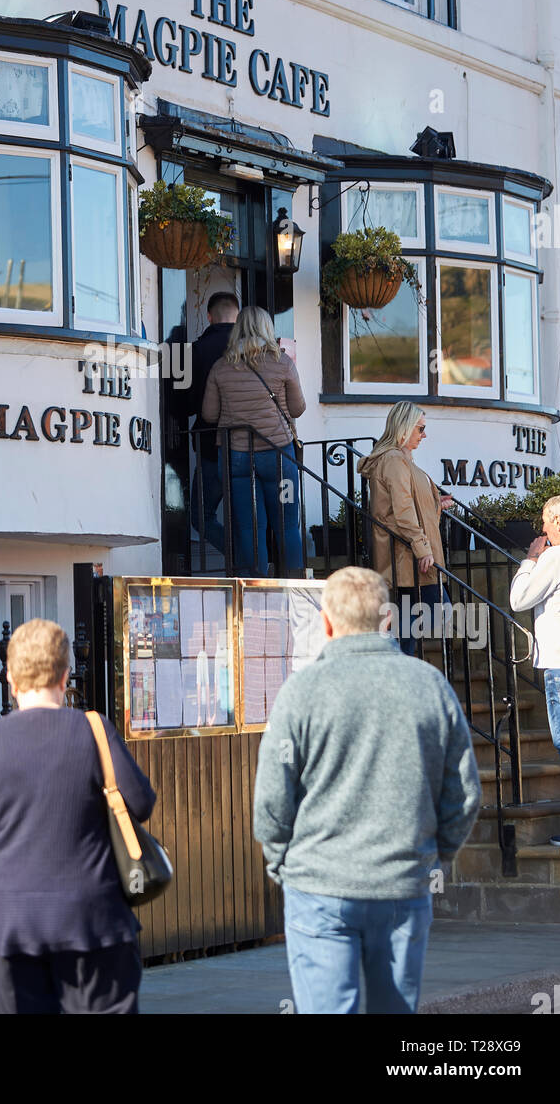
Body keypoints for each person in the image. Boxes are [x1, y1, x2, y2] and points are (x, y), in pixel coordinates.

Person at [253, 566, 481, 1015]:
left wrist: (283, 863)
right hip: (402, 881)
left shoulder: (300, 692)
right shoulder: (429, 686)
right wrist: (435, 857)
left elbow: (272, 799)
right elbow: (464, 794)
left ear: (326, 622)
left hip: (318, 883)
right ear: (389, 619)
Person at [0, 618, 156, 1014]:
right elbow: (141, 804)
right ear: (65, 674)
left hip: (8, 922)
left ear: (11, 677)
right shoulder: (94, 732)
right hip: (92, 919)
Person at [201, 306, 306, 577]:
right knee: (287, 526)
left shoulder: (221, 367)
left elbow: (209, 414)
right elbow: (297, 409)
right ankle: (295, 582)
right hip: (278, 455)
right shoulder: (283, 363)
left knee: (249, 527)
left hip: (237, 456)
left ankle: (256, 583)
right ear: (267, 329)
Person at [358, 402, 454, 656]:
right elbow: (402, 510)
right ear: (404, 428)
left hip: (410, 554)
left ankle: (397, 672)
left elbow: (407, 503)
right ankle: (394, 670)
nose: (424, 435)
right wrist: (423, 549)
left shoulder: (401, 460)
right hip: (405, 555)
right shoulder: (393, 460)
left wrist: (435, 503)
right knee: (434, 611)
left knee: (409, 625)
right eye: (421, 429)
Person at [509, 495, 560, 848]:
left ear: (559, 523)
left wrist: (531, 559)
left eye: (546, 522)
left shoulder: (556, 557)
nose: (542, 529)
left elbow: (519, 600)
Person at [171, 289, 239, 555]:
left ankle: (236, 557)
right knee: (246, 518)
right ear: (239, 316)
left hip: (210, 445)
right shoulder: (254, 351)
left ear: (209, 316)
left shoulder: (195, 351)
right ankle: (252, 562)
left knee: (201, 516)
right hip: (253, 446)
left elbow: (183, 404)